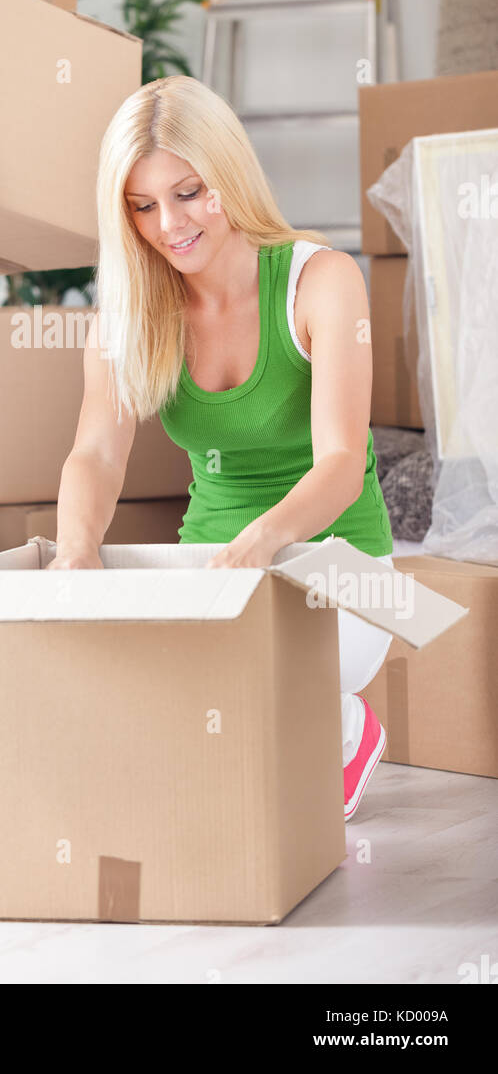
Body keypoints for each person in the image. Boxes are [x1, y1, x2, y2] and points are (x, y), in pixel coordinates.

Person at [49, 75, 393, 820]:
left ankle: (341, 730)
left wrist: (263, 538)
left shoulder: (320, 281)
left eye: (190, 191)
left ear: (230, 173)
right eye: (142, 206)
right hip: (210, 566)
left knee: (241, 713)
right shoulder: (134, 310)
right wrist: (76, 550)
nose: (169, 224)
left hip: (339, 565)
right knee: (159, 736)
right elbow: (97, 454)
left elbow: (339, 461)